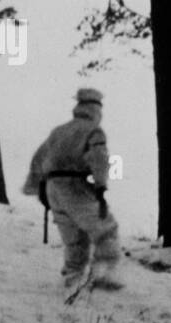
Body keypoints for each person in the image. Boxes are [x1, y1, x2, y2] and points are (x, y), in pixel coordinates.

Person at [22, 88, 121, 293]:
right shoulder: (93, 130)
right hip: (75, 186)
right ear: (96, 109)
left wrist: (35, 186)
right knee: (105, 229)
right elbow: (99, 157)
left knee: (74, 239)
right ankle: (103, 275)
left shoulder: (58, 131)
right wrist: (101, 185)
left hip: (53, 188)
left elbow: (39, 157)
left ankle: (72, 280)